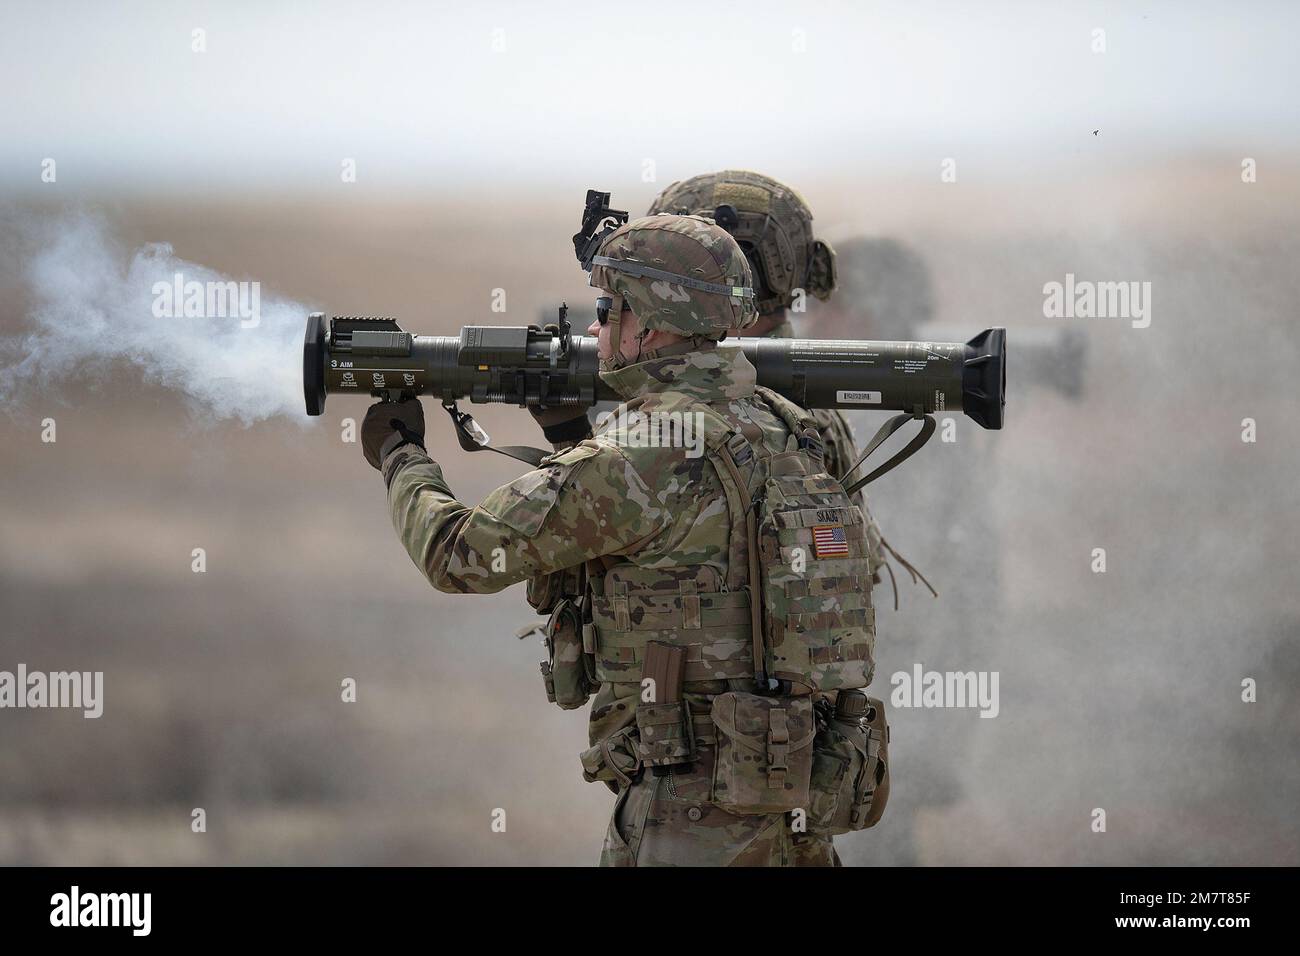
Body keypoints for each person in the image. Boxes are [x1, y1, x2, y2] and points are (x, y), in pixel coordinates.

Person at [362, 213, 885, 865]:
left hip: (690, 823)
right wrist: (570, 434)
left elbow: (457, 555)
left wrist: (399, 452)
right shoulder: (793, 424)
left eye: (608, 308)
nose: (592, 327)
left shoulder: (640, 451)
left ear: (649, 324)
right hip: (801, 813)